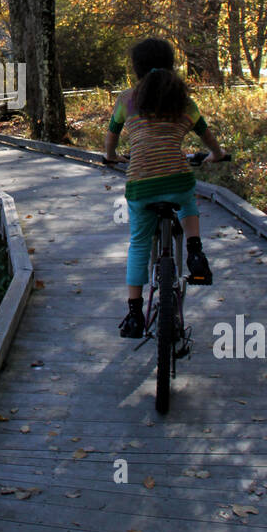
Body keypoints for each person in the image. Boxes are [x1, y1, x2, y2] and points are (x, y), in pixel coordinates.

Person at [103, 37, 227, 339]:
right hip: (176, 177)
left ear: (137, 69)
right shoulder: (182, 100)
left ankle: (134, 314)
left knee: (139, 243)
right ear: (171, 64)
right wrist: (217, 155)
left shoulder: (126, 100)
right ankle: (195, 251)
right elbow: (208, 138)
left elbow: (111, 139)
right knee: (187, 200)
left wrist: (111, 157)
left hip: (140, 183)